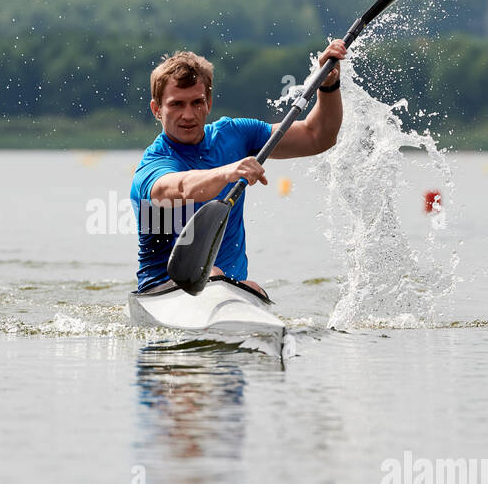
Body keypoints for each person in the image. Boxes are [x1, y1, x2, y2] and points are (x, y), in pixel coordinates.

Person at [130, 40, 348, 294]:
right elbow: (178, 188)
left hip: (231, 289)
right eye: (176, 104)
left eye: (197, 103)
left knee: (256, 289)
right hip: (163, 289)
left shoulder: (234, 135)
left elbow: (317, 136)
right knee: (214, 275)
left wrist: (329, 86)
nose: (188, 115)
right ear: (157, 109)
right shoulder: (154, 164)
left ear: (209, 103)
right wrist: (227, 172)